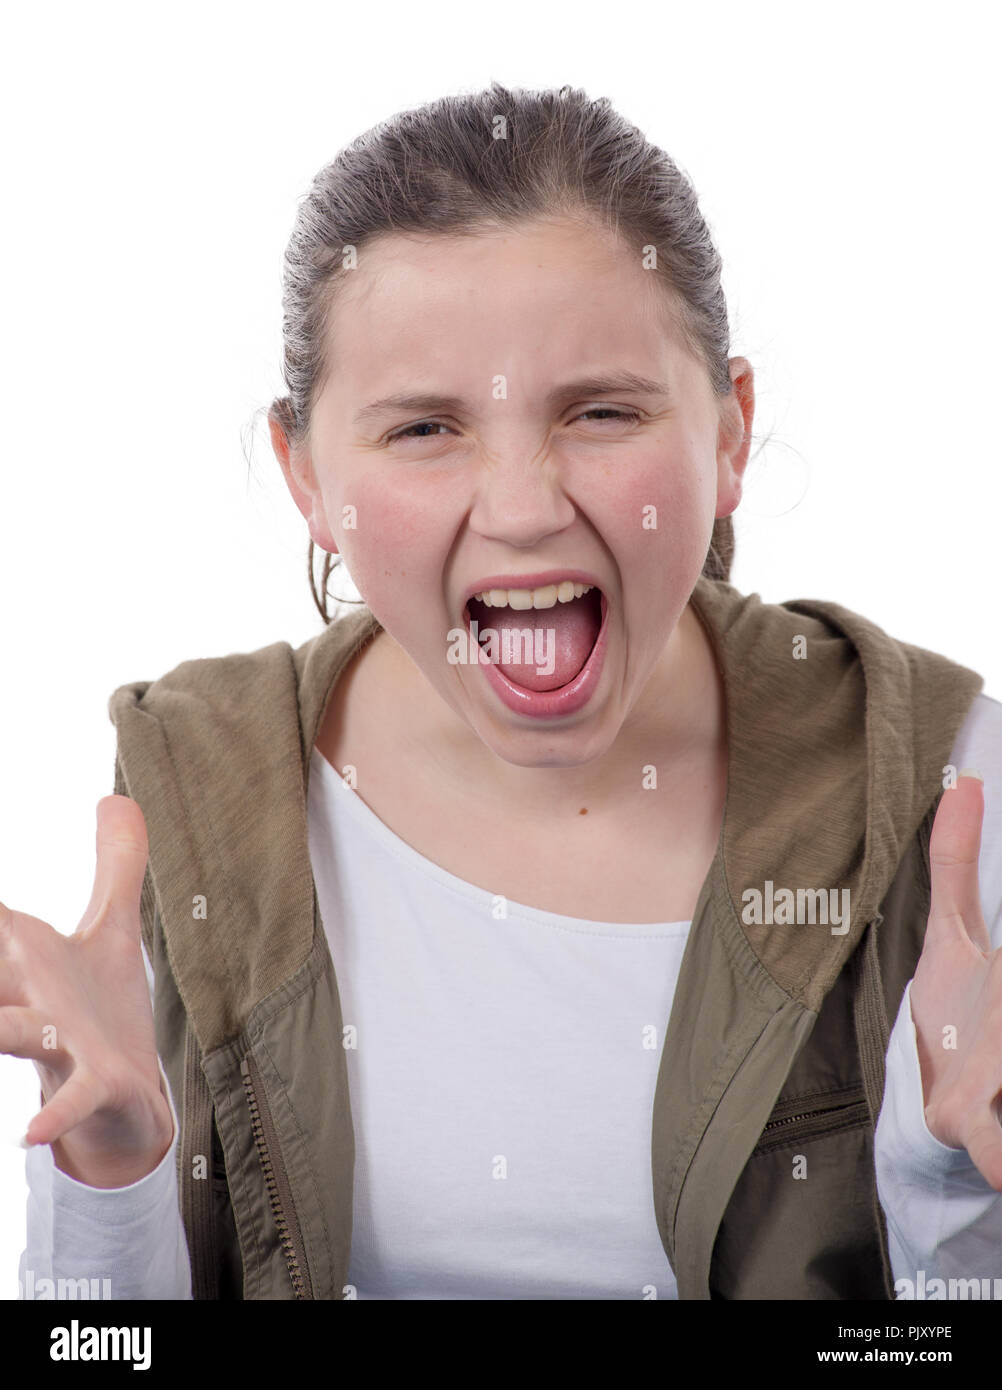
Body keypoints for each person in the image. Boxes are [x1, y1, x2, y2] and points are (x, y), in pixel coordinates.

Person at [10, 81, 1002, 1301]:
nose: (526, 507)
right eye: (424, 428)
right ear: (306, 474)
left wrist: (957, 1195)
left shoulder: (951, 800)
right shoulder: (193, 795)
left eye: (600, 410)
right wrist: (105, 1176)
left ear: (731, 432)